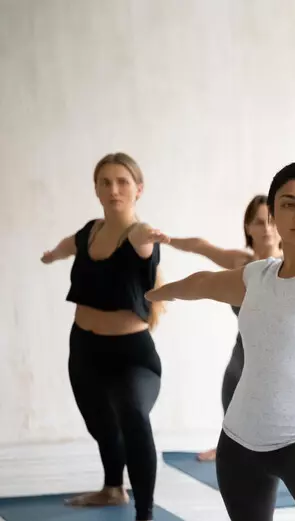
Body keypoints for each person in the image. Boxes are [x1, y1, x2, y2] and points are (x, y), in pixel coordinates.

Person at [145, 163, 295, 521]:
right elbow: (202, 283)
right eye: (289, 204)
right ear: (274, 213)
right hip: (239, 440)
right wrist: (154, 293)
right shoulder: (256, 275)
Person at [40, 152, 170, 521]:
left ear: (138, 189)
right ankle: (113, 489)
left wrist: (150, 235)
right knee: (99, 424)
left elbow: (144, 239)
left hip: (132, 356)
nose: (114, 189)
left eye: (123, 182)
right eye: (106, 182)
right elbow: (70, 244)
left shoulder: (140, 235)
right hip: (84, 348)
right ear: (96, 189)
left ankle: (144, 514)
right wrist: (51, 255)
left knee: (132, 416)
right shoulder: (90, 231)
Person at [167, 195, 295, 462]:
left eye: (271, 221)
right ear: (248, 228)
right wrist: (164, 240)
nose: (267, 228)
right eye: (259, 222)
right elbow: (200, 246)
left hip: (282, 358)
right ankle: (228, 448)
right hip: (244, 351)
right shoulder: (241, 264)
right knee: (233, 403)